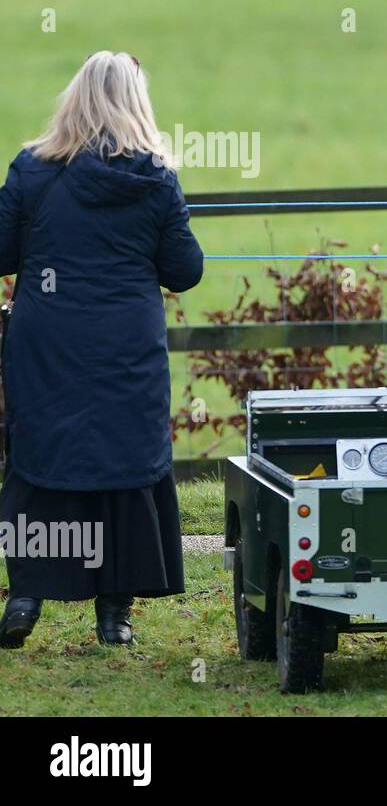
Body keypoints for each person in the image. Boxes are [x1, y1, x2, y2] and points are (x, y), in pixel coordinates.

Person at [0, 51, 203, 648]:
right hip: (127, 346)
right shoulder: (155, 179)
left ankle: (26, 597)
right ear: (137, 103)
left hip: (47, 343)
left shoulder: (31, 171)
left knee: (40, 457)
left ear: (74, 98)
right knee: (127, 468)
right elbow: (185, 270)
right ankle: (115, 616)